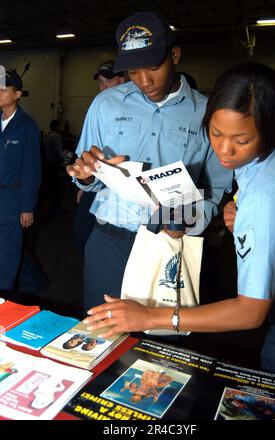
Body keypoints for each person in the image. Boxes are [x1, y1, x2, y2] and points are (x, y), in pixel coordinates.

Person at [84, 62, 275, 379]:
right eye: (215, 133)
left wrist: (151, 318)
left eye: (241, 140)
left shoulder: (267, 199)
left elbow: (250, 311)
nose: (225, 151)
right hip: (111, 240)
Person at [67, 11, 232, 311]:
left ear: (175, 55)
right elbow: (85, 173)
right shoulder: (105, 104)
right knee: (100, 336)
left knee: (156, 345)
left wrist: (190, 219)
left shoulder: (208, 113)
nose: (145, 81)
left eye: (154, 67)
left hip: (166, 246)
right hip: (108, 242)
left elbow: (217, 189)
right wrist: (86, 175)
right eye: (132, 72)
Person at [73, 60, 126, 257]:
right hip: (96, 180)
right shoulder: (99, 106)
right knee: (81, 232)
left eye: (109, 81)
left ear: (122, 79)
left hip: (119, 184)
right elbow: (86, 146)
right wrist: (82, 184)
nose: (104, 86)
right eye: (101, 81)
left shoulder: (132, 107)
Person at [0, 68, 41, 295]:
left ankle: (3, 301)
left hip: (12, 200)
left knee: (6, 259)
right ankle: (34, 282)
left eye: (4, 89)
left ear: (18, 95)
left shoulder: (27, 126)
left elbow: (31, 170)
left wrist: (27, 207)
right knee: (10, 249)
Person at [43, 119, 63, 215]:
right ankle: (56, 209)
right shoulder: (56, 136)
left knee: (51, 186)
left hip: (48, 163)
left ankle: (52, 208)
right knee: (56, 187)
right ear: (57, 127)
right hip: (54, 164)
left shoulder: (48, 136)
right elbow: (58, 152)